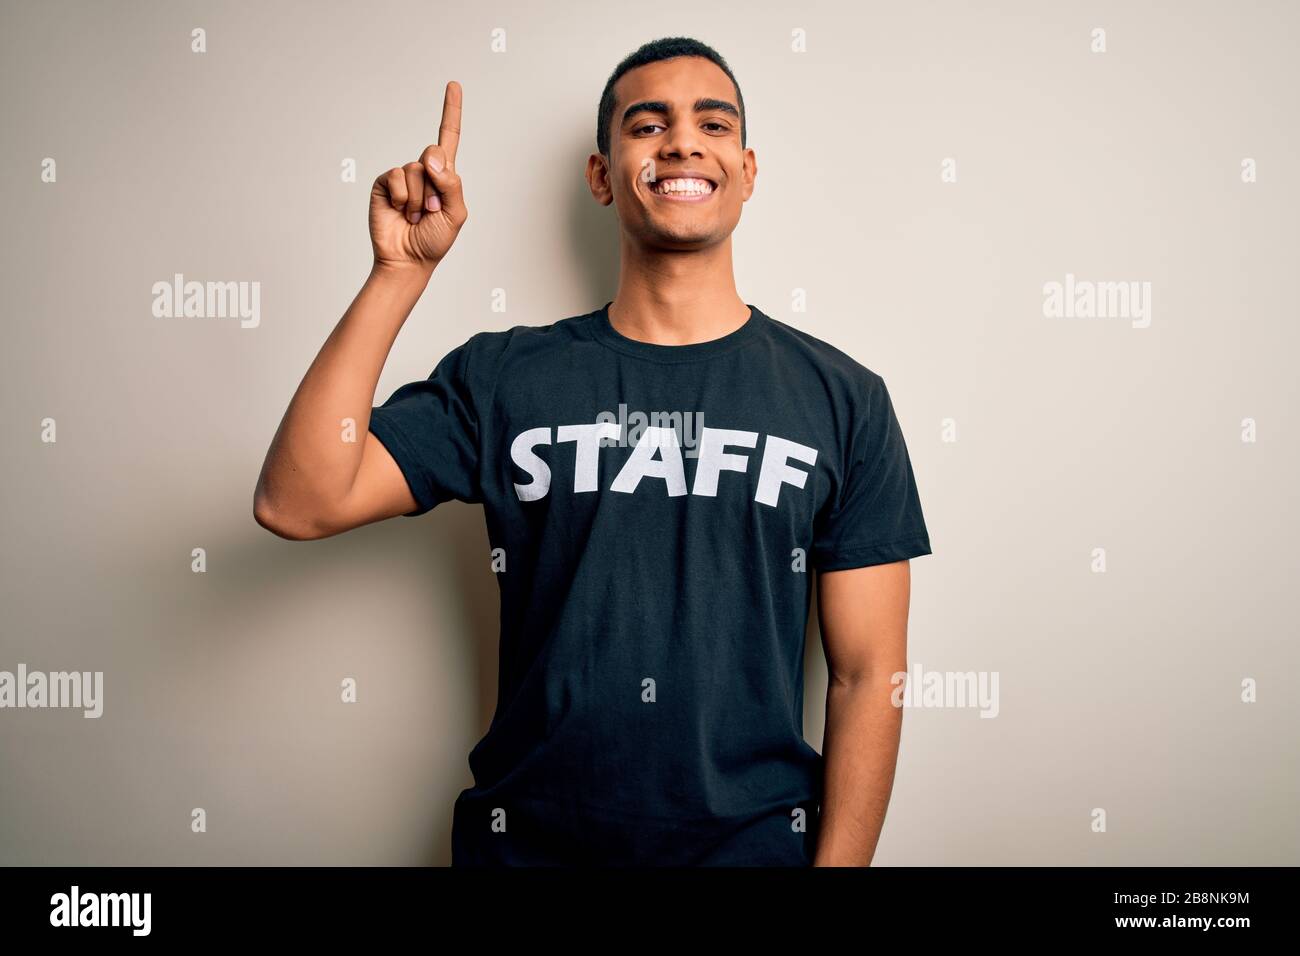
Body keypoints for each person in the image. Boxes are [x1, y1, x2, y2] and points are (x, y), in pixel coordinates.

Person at [253, 36, 932, 867]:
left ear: (746, 171)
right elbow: (299, 500)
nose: (682, 141)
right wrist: (398, 273)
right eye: (647, 126)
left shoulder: (844, 399)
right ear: (602, 176)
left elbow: (867, 678)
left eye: (711, 125)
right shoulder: (505, 376)